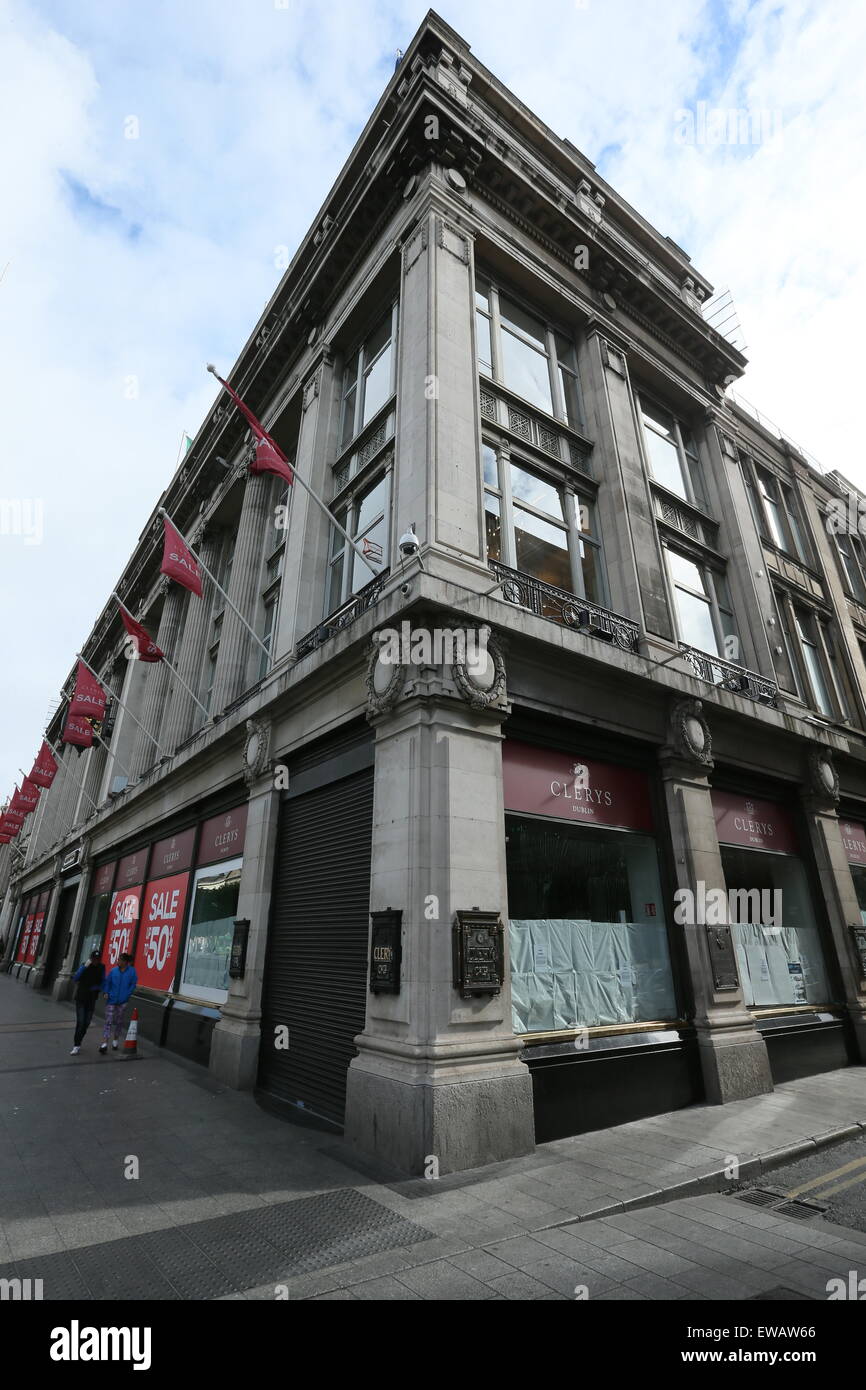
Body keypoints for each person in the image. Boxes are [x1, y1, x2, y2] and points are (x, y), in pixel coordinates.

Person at [99, 952, 138, 1054]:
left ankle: (115, 1040)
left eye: (120, 960)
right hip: (111, 999)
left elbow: (133, 984)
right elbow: (108, 982)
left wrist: (127, 995)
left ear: (125, 962)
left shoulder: (132, 972)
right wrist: (106, 992)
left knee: (119, 1021)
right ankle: (105, 1043)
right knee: (108, 1021)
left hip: (123, 1001)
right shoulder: (113, 971)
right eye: (118, 960)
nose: (118, 962)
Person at [70, 950, 105, 1054]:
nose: (95, 961)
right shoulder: (84, 966)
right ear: (91, 958)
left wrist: (97, 988)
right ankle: (76, 1044)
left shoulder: (101, 967)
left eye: (97, 959)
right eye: (94, 959)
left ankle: (79, 1040)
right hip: (81, 998)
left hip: (91, 998)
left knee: (86, 1022)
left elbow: (103, 981)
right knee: (80, 1022)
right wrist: (84, 967)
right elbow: (76, 978)